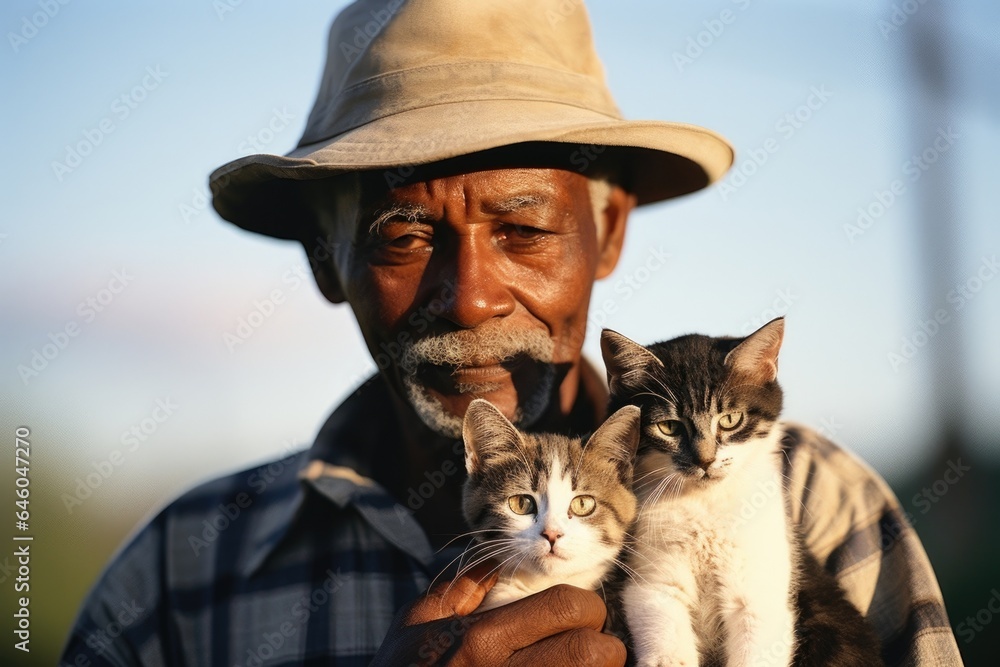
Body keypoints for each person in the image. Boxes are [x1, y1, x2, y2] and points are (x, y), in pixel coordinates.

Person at [61, 1, 961, 665]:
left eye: (524, 229)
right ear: (324, 260)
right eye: (403, 234)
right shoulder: (172, 580)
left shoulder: (817, 503)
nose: (470, 297)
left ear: (606, 236)